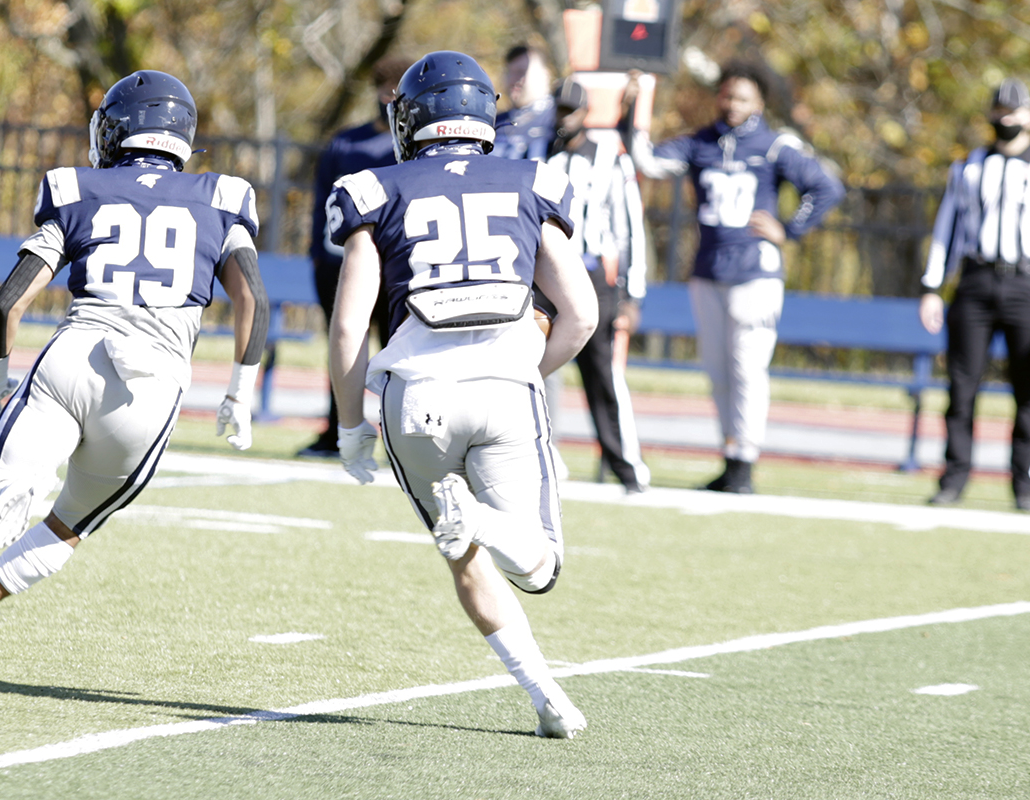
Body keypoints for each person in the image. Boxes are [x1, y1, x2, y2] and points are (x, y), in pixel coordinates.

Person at [0, 70, 270, 647]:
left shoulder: (77, 189)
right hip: (152, 390)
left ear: (117, 131)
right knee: (68, 525)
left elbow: (9, 301)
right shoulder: (224, 197)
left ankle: (8, 490)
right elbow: (253, 297)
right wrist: (240, 394)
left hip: (75, 356)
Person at [326, 51, 598, 738]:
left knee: (463, 555)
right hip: (505, 386)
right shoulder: (531, 181)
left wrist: (351, 425)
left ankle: (548, 701)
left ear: (410, 119)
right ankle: (478, 520)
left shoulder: (373, 188)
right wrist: (527, 372)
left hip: (414, 399)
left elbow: (348, 328)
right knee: (538, 566)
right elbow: (583, 314)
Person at [619, 61, 844, 493]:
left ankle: (745, 460)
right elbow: (646, 161)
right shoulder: (701, 142)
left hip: (755, 272)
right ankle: (730, 455)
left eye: (742, 98)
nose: (733, 104)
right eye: (727, 96)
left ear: (759, 102)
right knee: (718, 371)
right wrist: (636, 106)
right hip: (709, 272)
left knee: (747, 367)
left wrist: (790, 229)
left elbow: (827, 187)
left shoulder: (776, 145)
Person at [919, 78, 1030, 511]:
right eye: (1001, 109)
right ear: (991, 114)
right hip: (975, 281)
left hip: (1027, 283)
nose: (1008, 117)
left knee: (1029, 391)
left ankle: (1024, 485)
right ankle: (954, 479)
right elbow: (946, 230)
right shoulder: (968, 166)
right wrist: (933, 286)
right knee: (961, 387)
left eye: (1016, 110)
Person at [299, 56, 414, 458]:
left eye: (397, 88)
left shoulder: (413, 150)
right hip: (342, 267)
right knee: (345, 346)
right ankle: (337, 430)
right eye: (383, 88)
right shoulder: (345, 141)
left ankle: (404, 436)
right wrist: (318, 257)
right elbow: (321, 207)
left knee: (400, 353)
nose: (388, 96)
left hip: (396, 268)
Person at [544, 76, 650, 493]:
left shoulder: (609, 157)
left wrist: (632, 293)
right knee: (534, 365)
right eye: (559, 109)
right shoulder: (541, 154)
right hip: (547, 272)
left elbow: (630, 230)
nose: (564, 118)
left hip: (590, 274)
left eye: (571, 110)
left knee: (602, 376)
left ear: (586, 113)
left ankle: (628, 469)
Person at [492, 44, 556, 161]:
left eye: (521, 72)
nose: (514, 80)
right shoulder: (498, 123)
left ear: (545, 76)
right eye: (510, 72)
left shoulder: (558, 122)